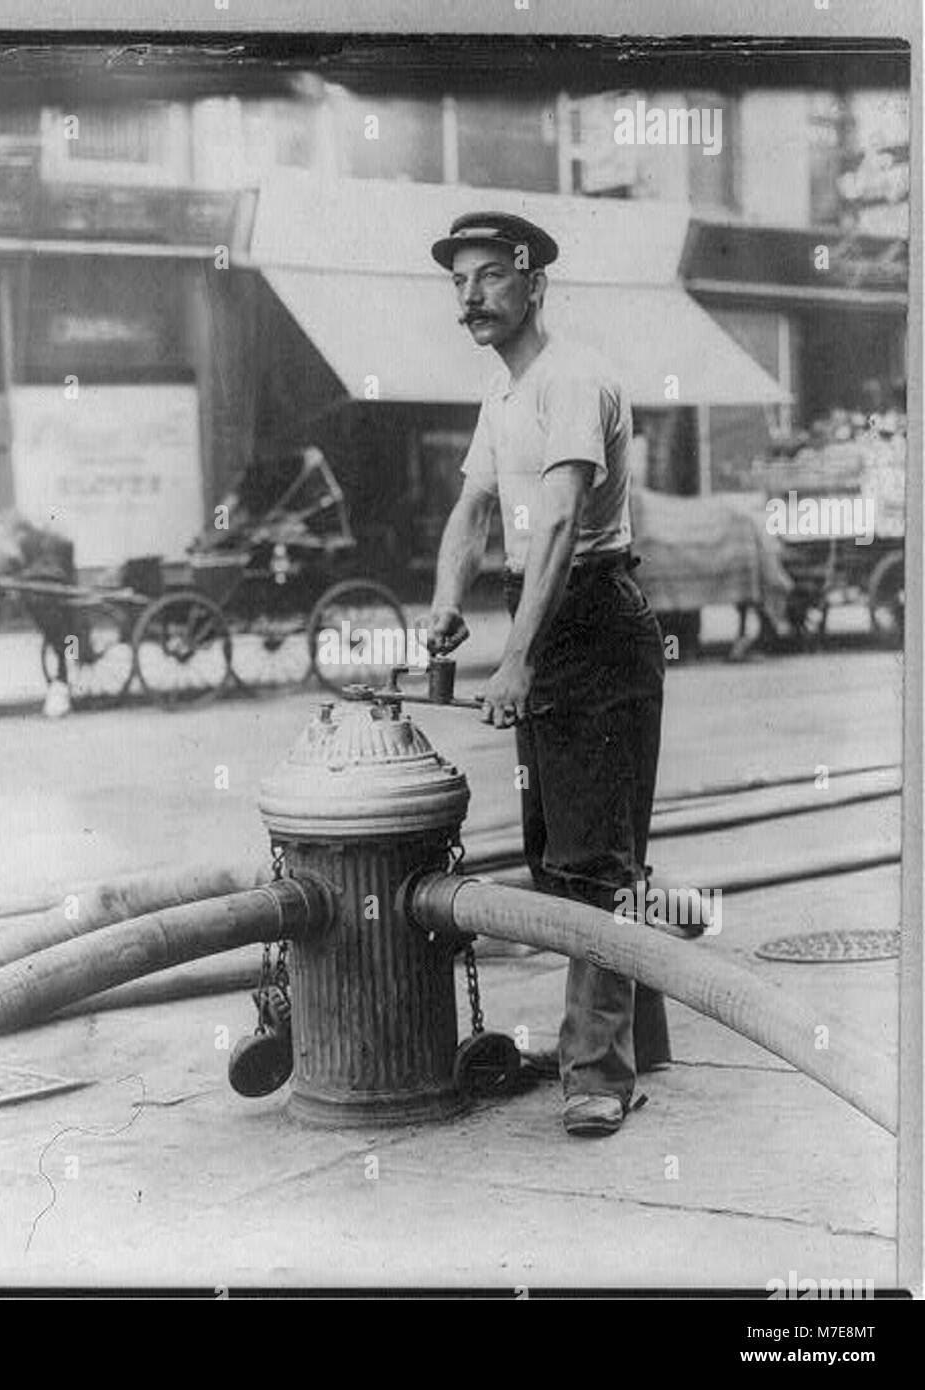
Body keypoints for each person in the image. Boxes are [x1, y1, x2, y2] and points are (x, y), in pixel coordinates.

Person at [425, 212, 669, 1138]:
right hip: (550, 617)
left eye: (490, 276)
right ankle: (637, 1038)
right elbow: (472, 507)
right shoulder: (502, 390)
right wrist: (445, 602)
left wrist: (516, 659)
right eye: (459, 282)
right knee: (563, 845)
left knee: (592, 858)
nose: (471, 296)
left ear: (534, 283)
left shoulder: (570, 379)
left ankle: (598, 1074)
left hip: (594, 622)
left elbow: (561, 524)